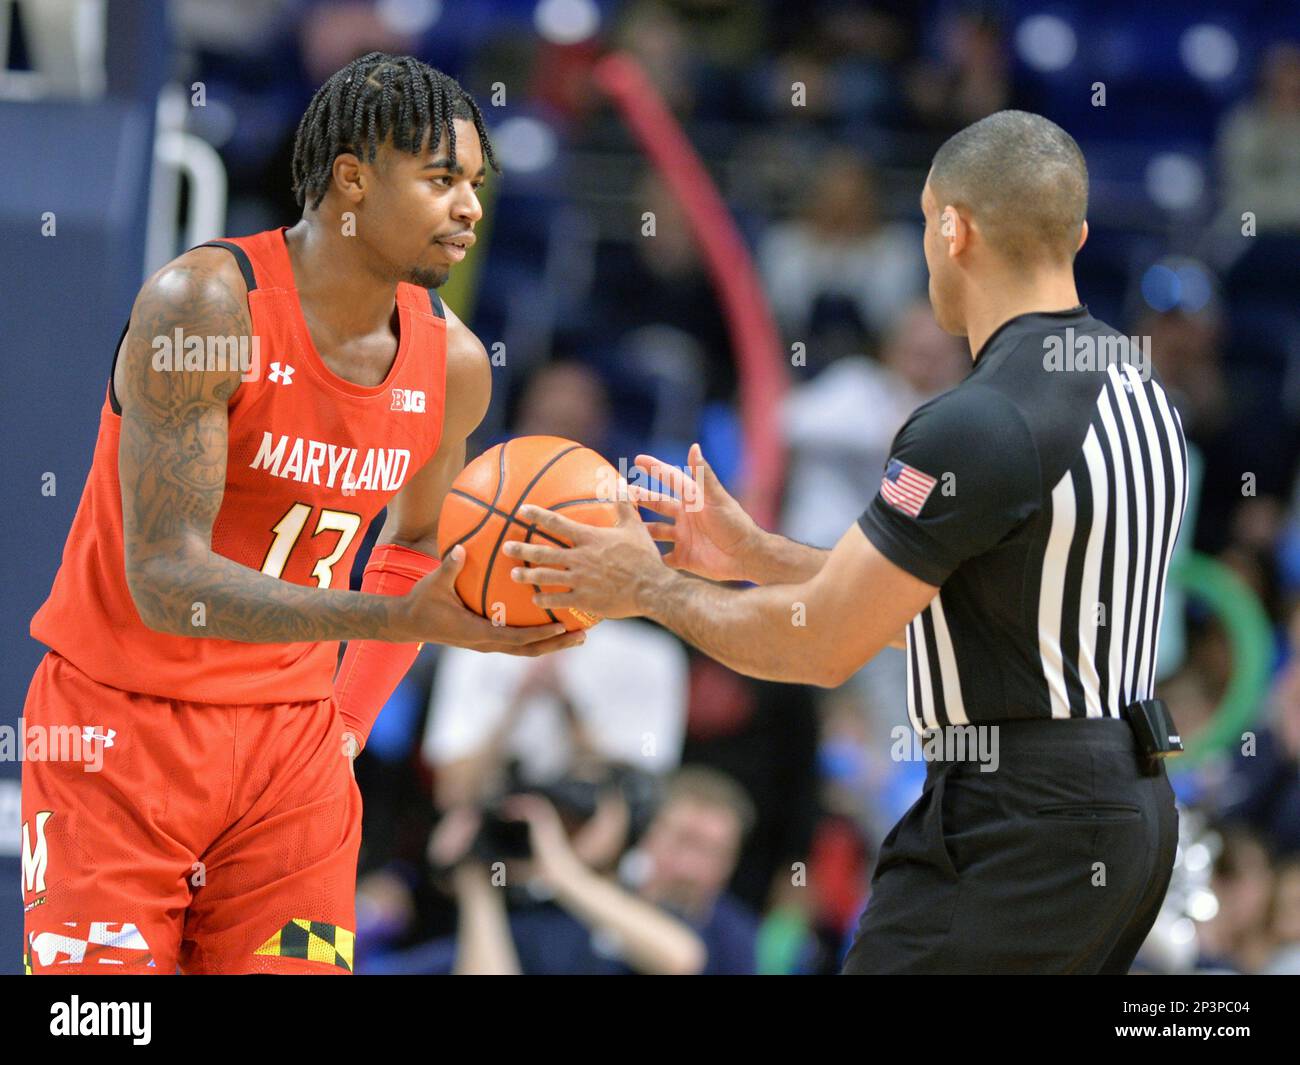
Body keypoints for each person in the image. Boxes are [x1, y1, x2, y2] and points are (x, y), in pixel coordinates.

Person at [502, 110, 1187, 974]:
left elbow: (826, 643)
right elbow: (968, 601)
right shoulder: (1134, 383)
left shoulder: (976, 421)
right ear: (1077, 234)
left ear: (952, 228)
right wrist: (753, 555)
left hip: (1022, 816)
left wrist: (646, 587)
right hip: (1126, 805)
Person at [21, 53, 583, 976]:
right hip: (119, 733)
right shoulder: (205, 307)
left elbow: (413, 544)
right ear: (351, 177)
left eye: (475, 185)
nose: (470, 209)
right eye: (442, 180)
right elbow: (168, 580)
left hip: (292, 757)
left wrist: (344, 728)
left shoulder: (453, 363)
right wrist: (394, 619)